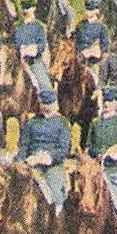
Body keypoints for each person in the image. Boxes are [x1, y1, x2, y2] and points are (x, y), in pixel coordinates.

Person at [17, 87, 71, 216]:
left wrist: (47, 157)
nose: (46, 107)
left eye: (49, 104)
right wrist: (20, 161)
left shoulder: (62, 122)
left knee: (56, 189)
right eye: (43, 104)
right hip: (31, 162)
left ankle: (57, 217)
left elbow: (63, 149)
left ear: (55, 104)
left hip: (52, 164)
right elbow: (24, 145)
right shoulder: (32, 122)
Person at [87, 87, 117, 209]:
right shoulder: (95, 123)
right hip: (97, 168)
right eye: (104, 100)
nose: (106, 104)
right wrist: (98, 153)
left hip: (115, 168)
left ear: (116, 103)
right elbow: (89, 147)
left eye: (110, 101)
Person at [12, 0, 52, 97]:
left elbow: (42, 45)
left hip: (33, 61)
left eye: (28, 7)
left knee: (44, 84)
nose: (25, 10)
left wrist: (31, 50)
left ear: (33, 8)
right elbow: (13, 43)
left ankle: (47, 104)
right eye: (23, 7)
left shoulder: (39, 26)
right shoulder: (17, 27)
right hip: (17, 60)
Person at [73, 0, 111, 73]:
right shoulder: (80, 25)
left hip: (93, 61)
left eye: (89, 10)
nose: (86, 12)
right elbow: (75, 39)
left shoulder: (101, 27)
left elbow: (105, 45)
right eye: (86, 10)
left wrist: (94, 52)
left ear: (95, 11)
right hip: (78, 58)